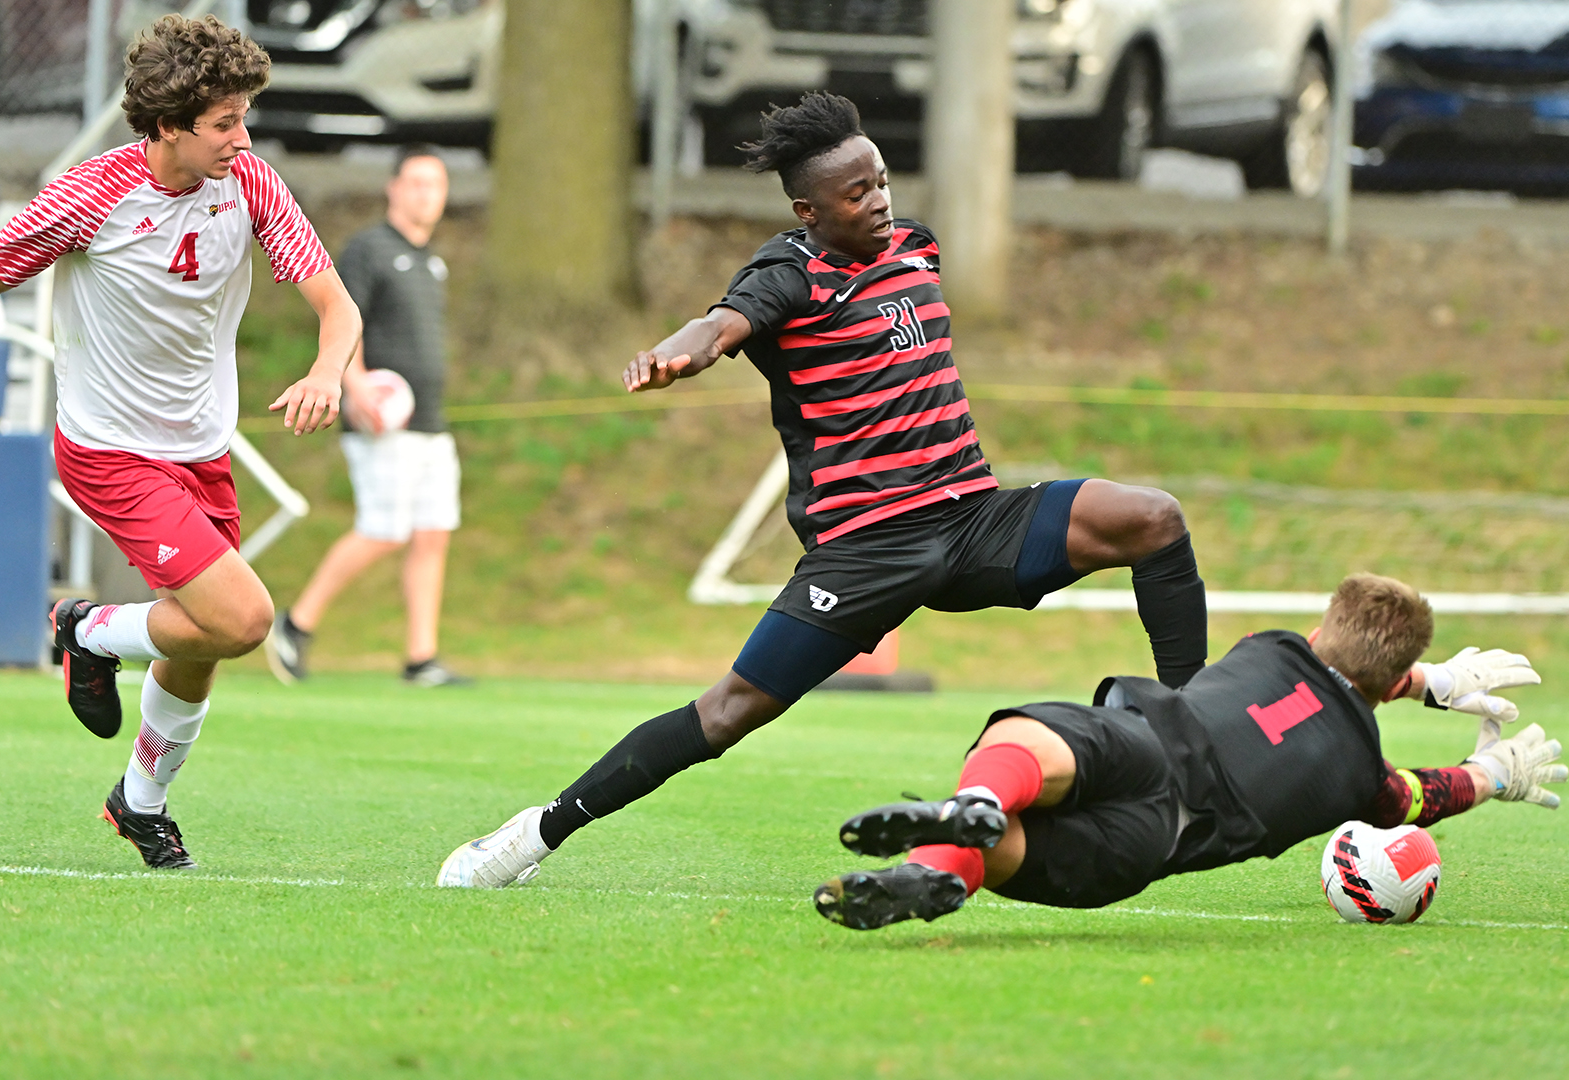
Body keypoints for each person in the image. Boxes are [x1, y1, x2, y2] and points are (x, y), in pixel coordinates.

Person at [435, 92, 1210, 888]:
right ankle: (533, 837)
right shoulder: (789, 275)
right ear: (810, 210)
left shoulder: (917, 247)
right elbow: (719, 326)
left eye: (880, 183)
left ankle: (1196, 748)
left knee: (1150, 517)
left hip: (975, 517)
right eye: (856, 194)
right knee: (727, 714)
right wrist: (676, 356)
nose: (878, 202)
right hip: (866, 551)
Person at [0, 15, 360, 869]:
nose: (242, 137)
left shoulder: (250, 183)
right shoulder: (88, 195)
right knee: (243, 617)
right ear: (169, 125)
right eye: (224, 123)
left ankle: (140, 803)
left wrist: (329, 369)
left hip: (200, 446)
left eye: (244, 117)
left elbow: (338, 305)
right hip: (108, 449)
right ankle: (89, 630)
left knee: (201, 639)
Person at [811, 573, 1566, 930]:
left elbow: (1346, 667)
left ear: (1321, 625)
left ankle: (972, 809)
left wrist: (1433, 682)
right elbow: (1410, 797)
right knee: (1022, 846)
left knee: (1022, 740)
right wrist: (1491, 775)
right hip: (1154, 844)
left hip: (1143, 742)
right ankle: (928, 876)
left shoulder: (1269, 649)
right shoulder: (1357, 777)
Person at [266, 145, 470, 688]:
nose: (428, 194)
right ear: (395, 188)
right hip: (381, 422)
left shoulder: (432, 260)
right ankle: (295, 625)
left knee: (432, 534)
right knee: (384, 531)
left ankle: (420, 658)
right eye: (417, 183)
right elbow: (342, 318)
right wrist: (352, 384)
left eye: (437, 185)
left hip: (431, 422)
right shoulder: (369, 250)